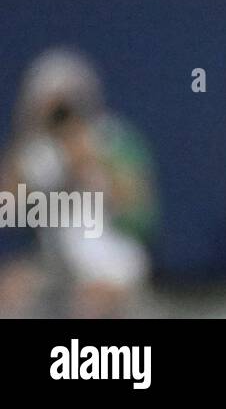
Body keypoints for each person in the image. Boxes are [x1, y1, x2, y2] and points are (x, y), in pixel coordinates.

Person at [0, 49, 157, 318]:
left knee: (88, 306)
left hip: (111, 260)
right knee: (9, 291)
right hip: (56, 263)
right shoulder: (35, 152)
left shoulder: (112, 140)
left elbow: (140, 211)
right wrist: (25, 144)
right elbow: (6, 210)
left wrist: (88, 162)